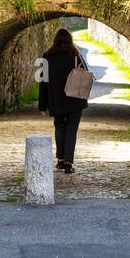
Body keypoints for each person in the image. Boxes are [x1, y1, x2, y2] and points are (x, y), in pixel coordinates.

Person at [39, 27, 90, 174]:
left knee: (59, 127)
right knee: (71, 130)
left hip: (57, 101)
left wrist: (43, 106)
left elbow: (43, 82)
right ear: (70, 41)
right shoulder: (75, 56)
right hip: (75, 99)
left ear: (55, 41)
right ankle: (68, 163)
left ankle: (60, 160)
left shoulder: (47, 57)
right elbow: (85, 74)